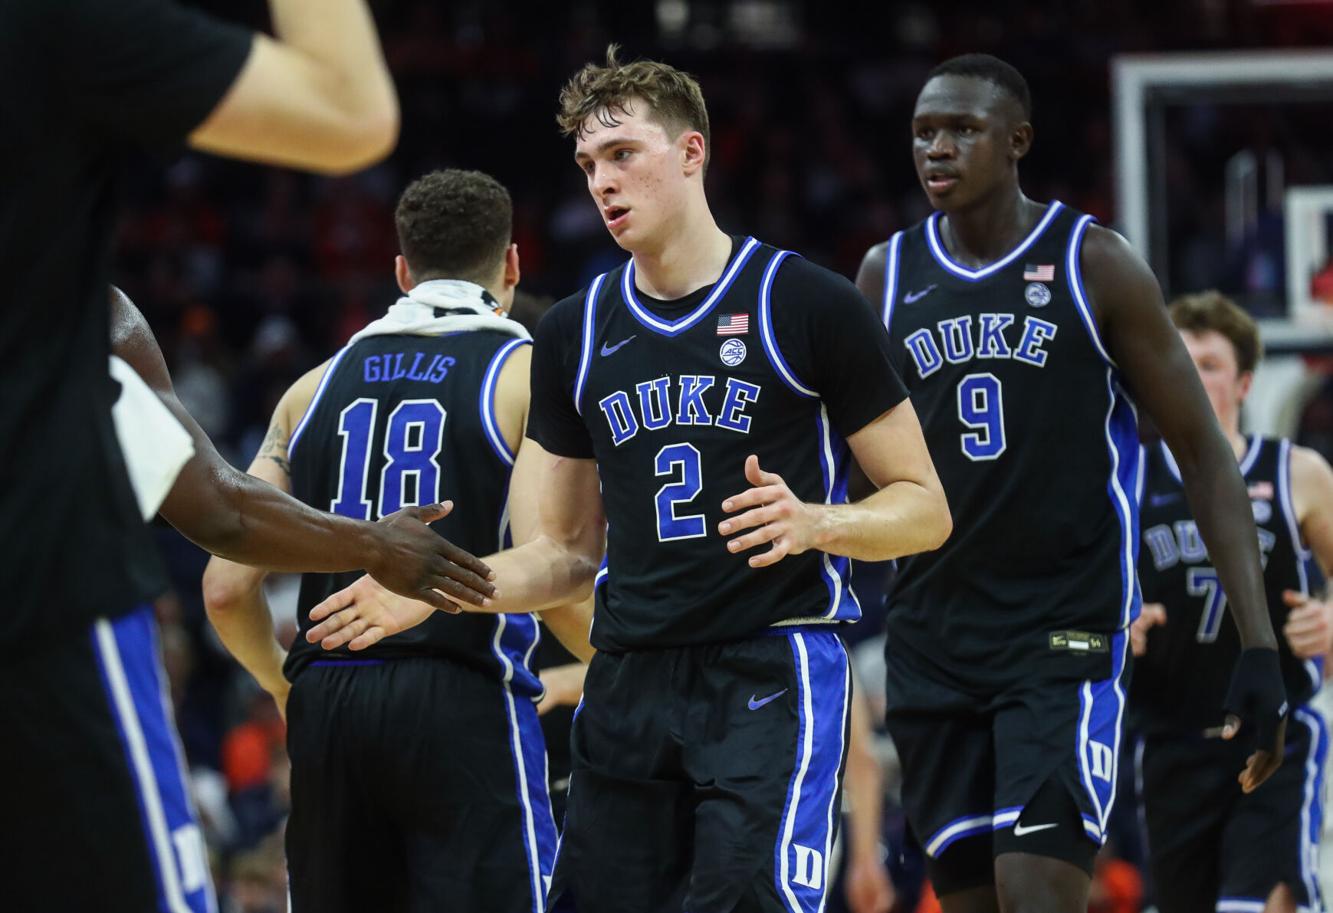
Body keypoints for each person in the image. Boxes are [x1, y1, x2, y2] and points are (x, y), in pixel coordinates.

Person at [307, 46, 952, 913]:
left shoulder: (807, 302)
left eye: (622, 155)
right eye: (586, 165)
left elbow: (925, 508)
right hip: (628, 678)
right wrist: (439, 586)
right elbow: (564, 554)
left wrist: (818, 523)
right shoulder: (573, 332)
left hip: (768, 664)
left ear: (691, 154)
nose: (601, 183)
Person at [0, 4, 496, 911]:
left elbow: (224, 545)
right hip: (43, 621)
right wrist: (374, 547)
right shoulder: (47, 39)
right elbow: (217, 514)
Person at [854, 54, 1286, 913]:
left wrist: (1259, 641)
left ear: (1016, 141)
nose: (936, 149)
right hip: (931, 641)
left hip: (1062, 633)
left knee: (1040, 894)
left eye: (962, 130)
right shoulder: (884, 276)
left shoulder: (1094, 263)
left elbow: (1202, 453)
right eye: (923, 133)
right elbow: (844, 459)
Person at [203, 169, 593, 913]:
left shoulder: (309, 389)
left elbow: (224, 586)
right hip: (460, 697)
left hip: (327, 702)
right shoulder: (527, 373)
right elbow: (560, 562)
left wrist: (285, 685)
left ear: (400, 271)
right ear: (511, 265)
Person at [1130, 291, 1333, 913]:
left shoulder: (1295, 469)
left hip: (1274, 733)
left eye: (1210, 364)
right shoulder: (1130, 476)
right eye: (1181, 362)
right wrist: (1119, 620)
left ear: (1245, 382)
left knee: (1259, 903)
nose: (1192, 377)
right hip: (1170, 738)